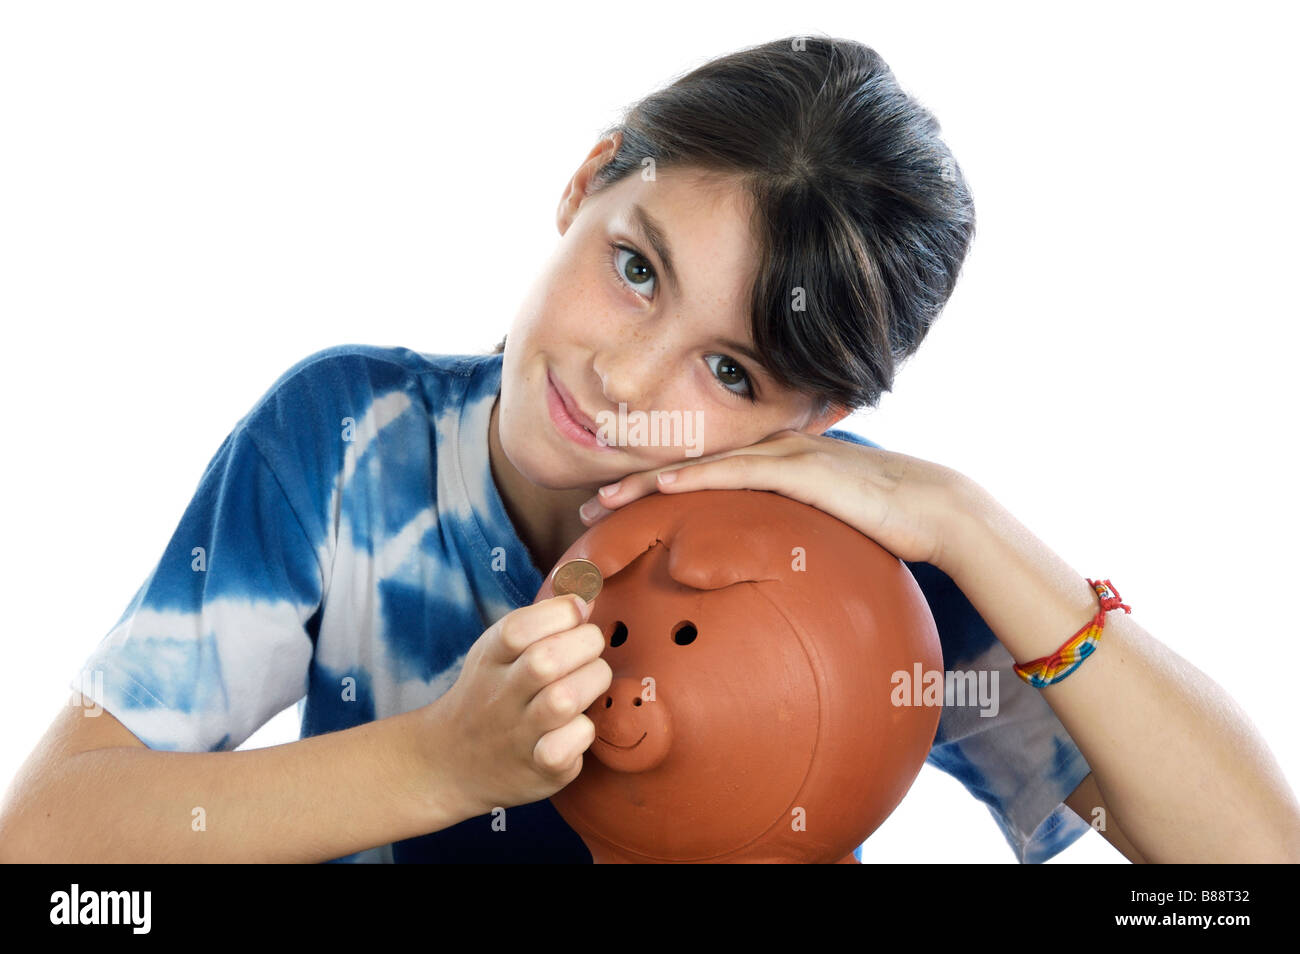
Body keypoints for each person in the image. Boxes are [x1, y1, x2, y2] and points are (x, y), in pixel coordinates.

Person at [3, 35, 1295, 864]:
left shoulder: (870, 582)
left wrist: (969, 523)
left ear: (814, 424)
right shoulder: (349, 449)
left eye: (730, 370)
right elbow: (48, 843)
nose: (622, 378)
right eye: (636, 267)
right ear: (588, 180)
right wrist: (439, 761)